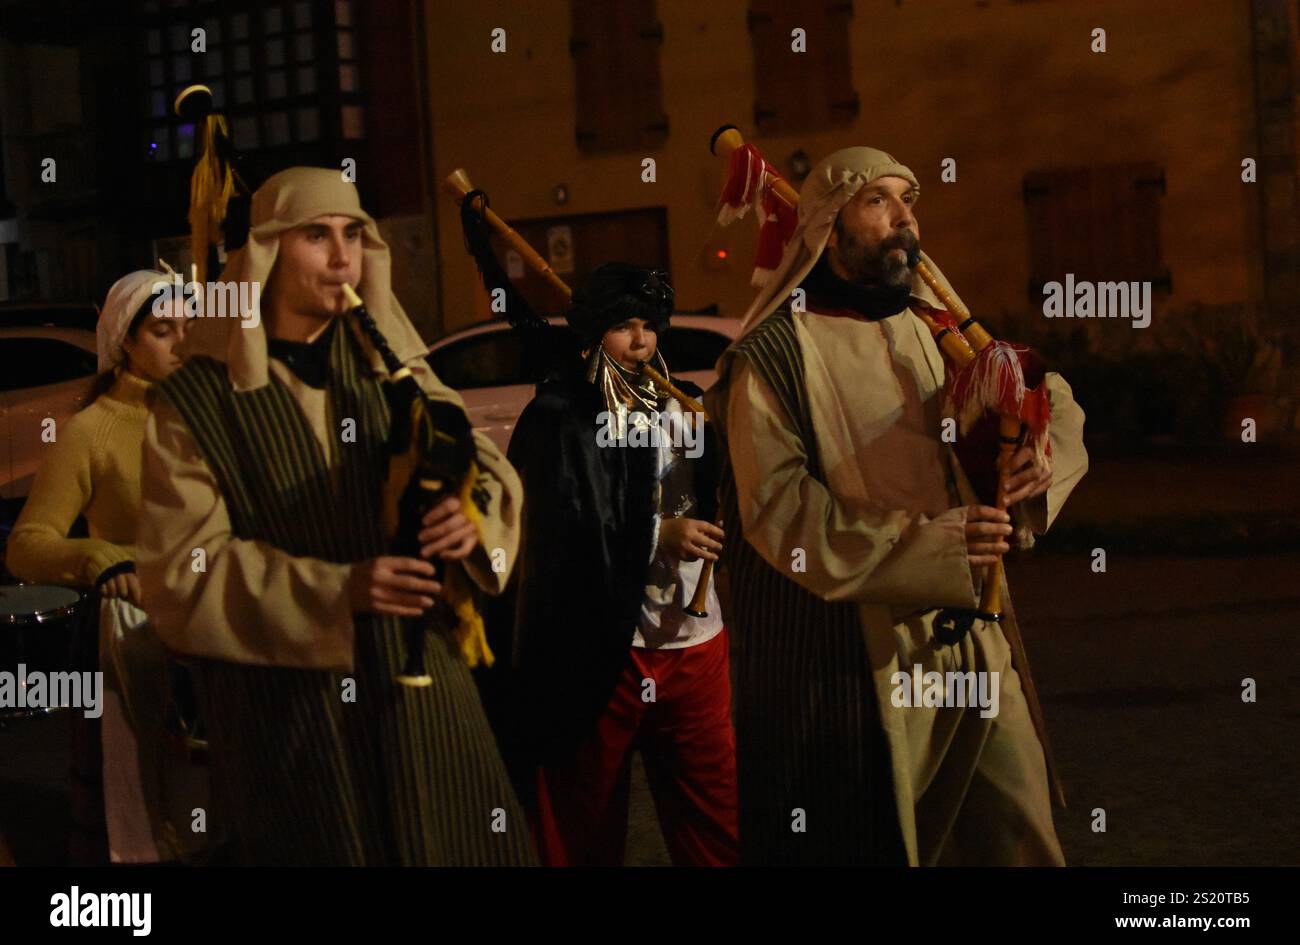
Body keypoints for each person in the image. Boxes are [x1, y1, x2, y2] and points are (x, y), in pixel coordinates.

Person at [135, 167, 534, 865]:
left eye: (354, 234)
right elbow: (181, 573)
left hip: (425, 694)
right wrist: (337, 591)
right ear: (264, 254)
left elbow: (478, 461)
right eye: (316, 235)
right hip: (292, 720)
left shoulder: (391, 366)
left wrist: (468, 517)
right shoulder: (194, 402)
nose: (343, 254)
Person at [704, 147, 1089, 866]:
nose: (905, 218)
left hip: (977, 640)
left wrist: (1038, 460)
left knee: (1018, 841)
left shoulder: (939, 329)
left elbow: (1051, 401)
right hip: (860, 658)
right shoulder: (773, 355)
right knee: (867, 841)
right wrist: (934, 549)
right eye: (879, 201)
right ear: (827, 226)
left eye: (908, 200)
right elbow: (778, 513)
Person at [506, 263, 738, 866]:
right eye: (623, 327)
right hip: (606, 649)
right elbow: (555, 528)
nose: (641, 341)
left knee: (714, 818)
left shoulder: (680, 404)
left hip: (694, 643)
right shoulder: (561, 415)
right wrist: (658, 534)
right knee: (583, 819)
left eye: (649, 326)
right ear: (592, 334)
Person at [7, 267, 206, 863]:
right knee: (148, 809)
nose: (182, 342)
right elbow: (27, 543)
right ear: (126, 341)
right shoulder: (90, 431)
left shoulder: (211, 417)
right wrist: (101, 559)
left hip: (219, 621)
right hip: (139, 632)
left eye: (189, 328)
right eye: (164, 330)